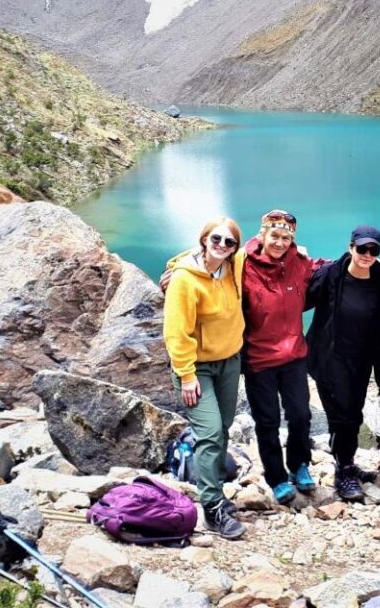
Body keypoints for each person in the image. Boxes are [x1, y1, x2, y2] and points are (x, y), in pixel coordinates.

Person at [306, 225, 380, 502]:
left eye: (373, 250)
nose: (367, 254)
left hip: (361, 361)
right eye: (362, 248)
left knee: (352, 413)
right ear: (351, 247)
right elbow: (299, 300)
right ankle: (344, 471)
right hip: (328, 357)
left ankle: (346, 462)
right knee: (342, 416)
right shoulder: (330, 275)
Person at [163, 217, 246, 540]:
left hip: (229, 361)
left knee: (223, 427)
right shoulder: (185, 280)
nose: (222, 246)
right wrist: (186, 375)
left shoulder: (235, 265)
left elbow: (264, 246)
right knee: (209, 432)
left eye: (229, 242)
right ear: (204, 239)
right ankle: (211, 508)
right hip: (197, 368)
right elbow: (176, 332)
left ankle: (218, 491)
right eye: (216, 239)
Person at [241, 210, 329, 504]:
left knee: (300, 415)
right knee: (267, 421)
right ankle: (276, 477)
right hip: (258, 359)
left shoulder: (299, 263)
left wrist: (370, 265)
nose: (280, 243)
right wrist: (174, 272)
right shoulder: (242, 265)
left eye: (286, 237)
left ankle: (299, 464)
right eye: (274, 236)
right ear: (262, 234)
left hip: (293, 356)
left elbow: (328, 269)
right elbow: (208, 262)